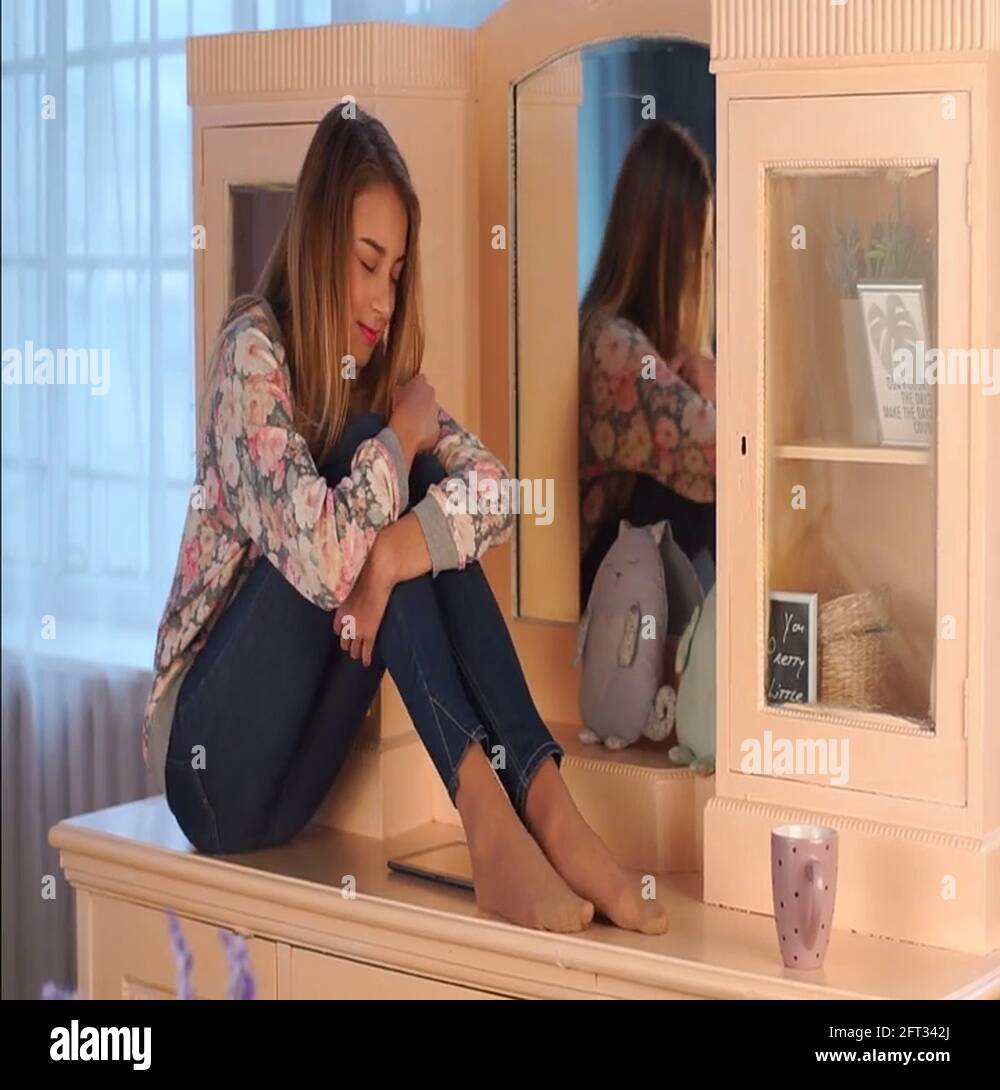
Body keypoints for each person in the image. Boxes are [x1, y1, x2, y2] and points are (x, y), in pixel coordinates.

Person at [142, 105, 668, 936]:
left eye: (397, 271)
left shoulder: (377, 376)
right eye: (367, 263)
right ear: (320, 245)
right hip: (209, 766)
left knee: (410, 496)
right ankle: (496, 824)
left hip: (289, 786)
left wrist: (391, 557)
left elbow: (494, 489)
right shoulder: (251, 353)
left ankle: (546, 806)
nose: (385, 298)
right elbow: (321, 557)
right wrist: (392, 459)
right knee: (378, 457)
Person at [579, 120, 717, 607]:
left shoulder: (628, 345)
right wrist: (717, 386)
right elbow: (732, 455)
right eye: (698, 252)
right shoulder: (614, 348)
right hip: (606, 603)